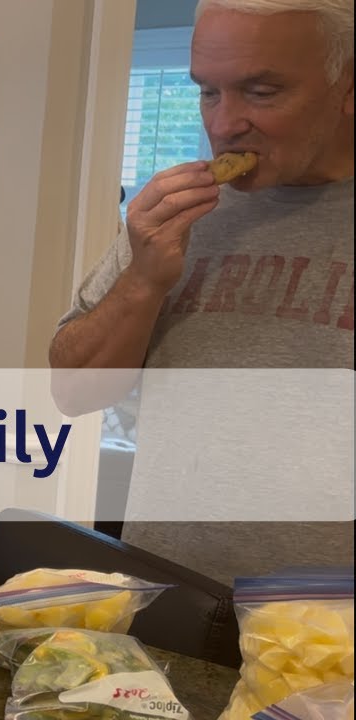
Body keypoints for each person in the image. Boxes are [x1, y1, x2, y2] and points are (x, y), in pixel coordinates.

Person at [49, 0, 353, 584]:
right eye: (208, 92)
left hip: (328, 635)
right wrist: (142, 280)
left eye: (261, 92)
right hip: (165, 602)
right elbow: (73, 390)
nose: (221, 125)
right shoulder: (173, 218)